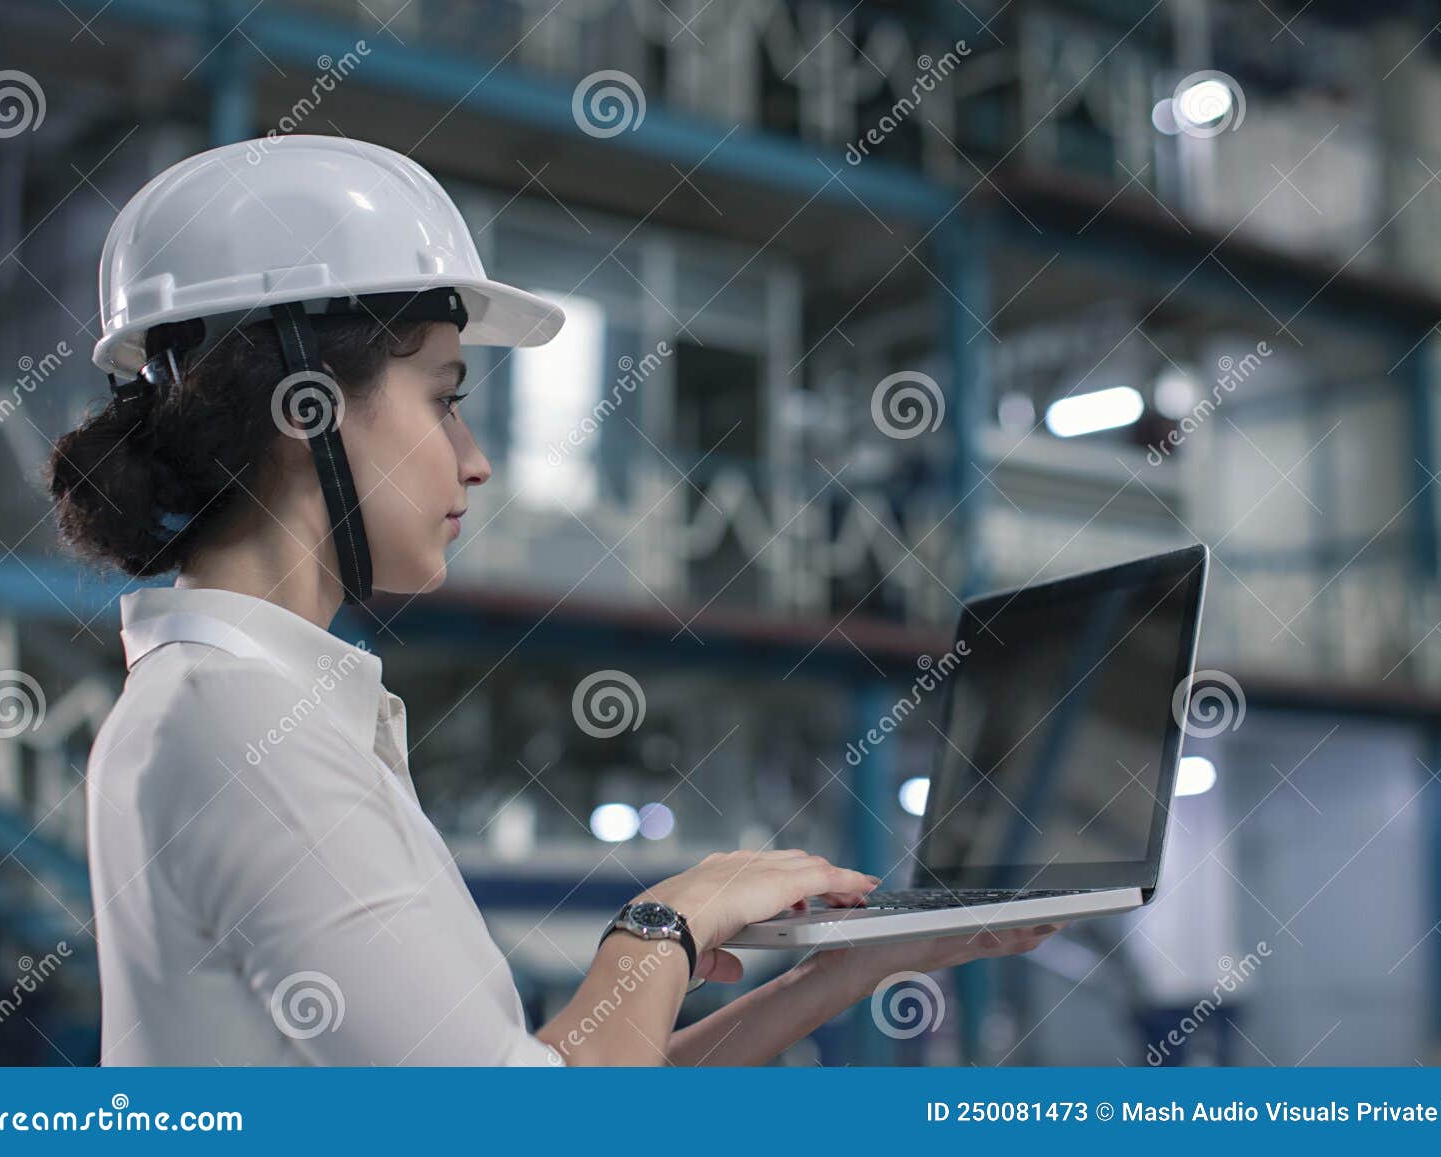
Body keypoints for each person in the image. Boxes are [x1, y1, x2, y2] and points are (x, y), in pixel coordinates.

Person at [51, 135, 1060, 1066]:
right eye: (444, 399)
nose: (475, 460)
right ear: (305, 405)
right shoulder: (235, 719)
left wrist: (843, 970)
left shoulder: (232, 703)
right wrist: (668, 920)